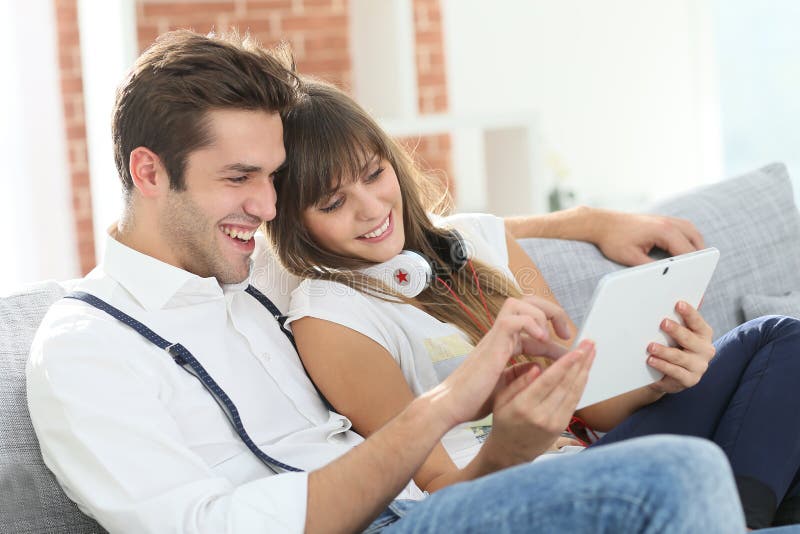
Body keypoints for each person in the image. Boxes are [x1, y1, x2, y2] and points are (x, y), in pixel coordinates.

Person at [26, 30, 751, 533]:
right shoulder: (86, 348)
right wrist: (448, 406)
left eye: (272, 178)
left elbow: (413, 230)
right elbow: (205, 528)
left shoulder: (245, 266)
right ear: (149, 172)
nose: (268, 207)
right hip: (392, 523)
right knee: (679, 473)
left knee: (767, 361)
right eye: (240, 177)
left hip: (427, 511)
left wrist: (584, 221)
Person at [265, 78, 800, 529]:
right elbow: (440, 490)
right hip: (520, 492)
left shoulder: (477, 241)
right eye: (333, 202)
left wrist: (663, 377)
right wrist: (509, 445)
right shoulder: (330, 316)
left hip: (594, 453)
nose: (370, 208)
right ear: (295, 222)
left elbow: (590, 406)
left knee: (779, 337)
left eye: (374, 174)